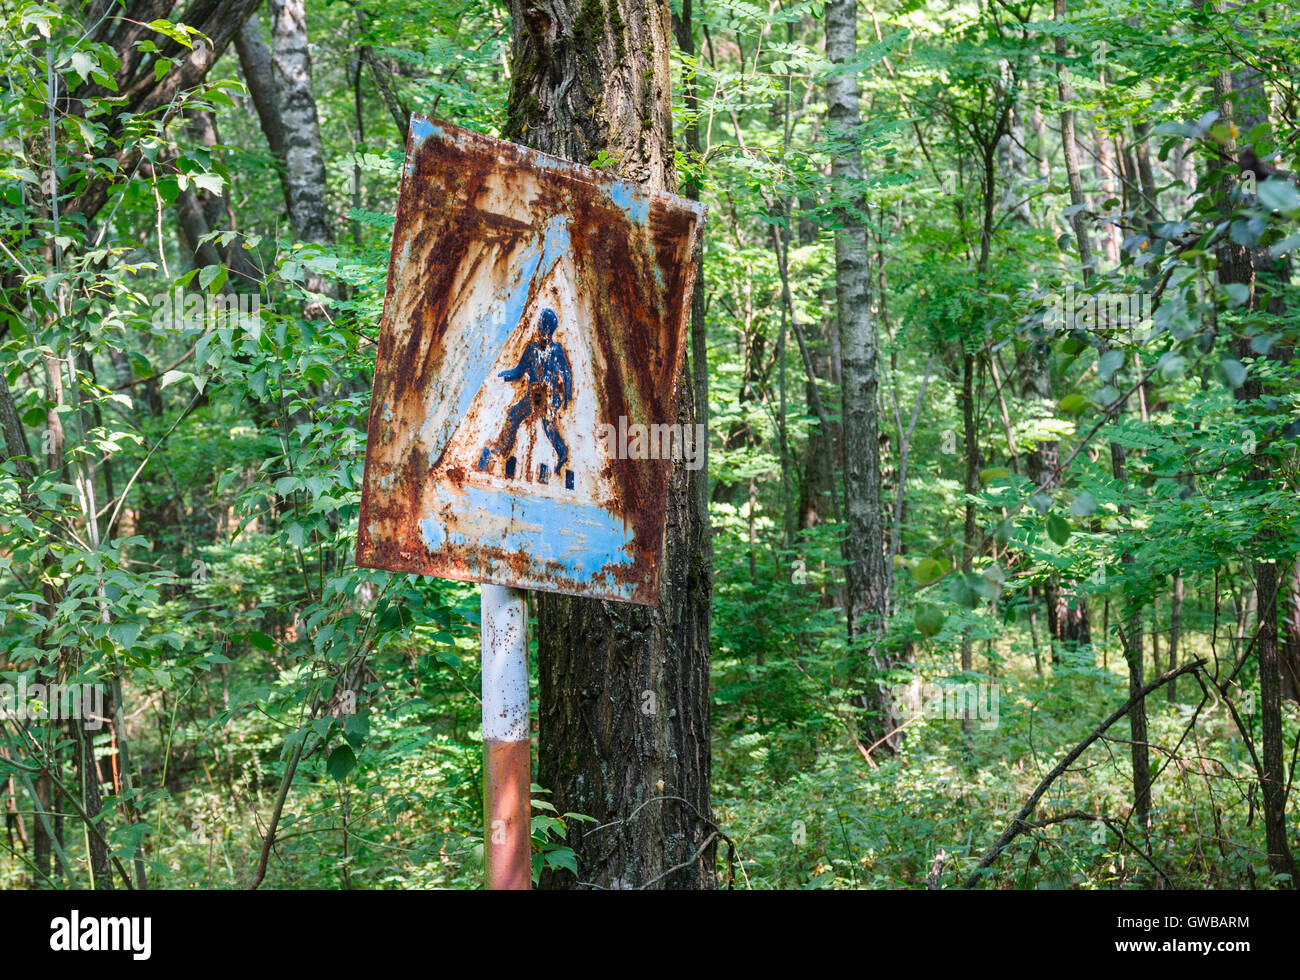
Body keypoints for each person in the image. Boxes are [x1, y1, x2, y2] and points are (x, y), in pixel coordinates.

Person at [478, 307, 573, 478]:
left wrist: (566, 397)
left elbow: (566, 374)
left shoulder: (557, 350)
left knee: (549, 428)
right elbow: (520, 370)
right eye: (542, 326)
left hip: (550, 397)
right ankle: (504, 449)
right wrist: (505, 375)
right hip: (533, 396)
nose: (542, 329)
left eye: (544, 326)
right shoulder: (532, 349)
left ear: (549, 328)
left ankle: (562, 453)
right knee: (514, 415)